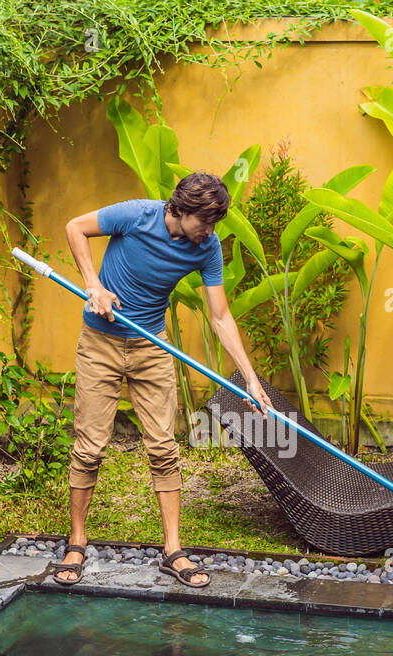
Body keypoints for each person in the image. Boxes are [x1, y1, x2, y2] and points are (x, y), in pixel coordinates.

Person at [50, 172, 273, 588]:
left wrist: (250, 379)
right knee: (90, 446)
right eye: (204, 222)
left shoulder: (206, 248)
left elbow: (221, 316)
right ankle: (77, 540)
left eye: (213, 224)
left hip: (153, 349)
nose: (209, 232)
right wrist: (93, 286)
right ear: (181, 209)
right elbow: (75, 227)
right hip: (100, 342)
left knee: (164, 448)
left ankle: (172, 550)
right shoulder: (136, 215)